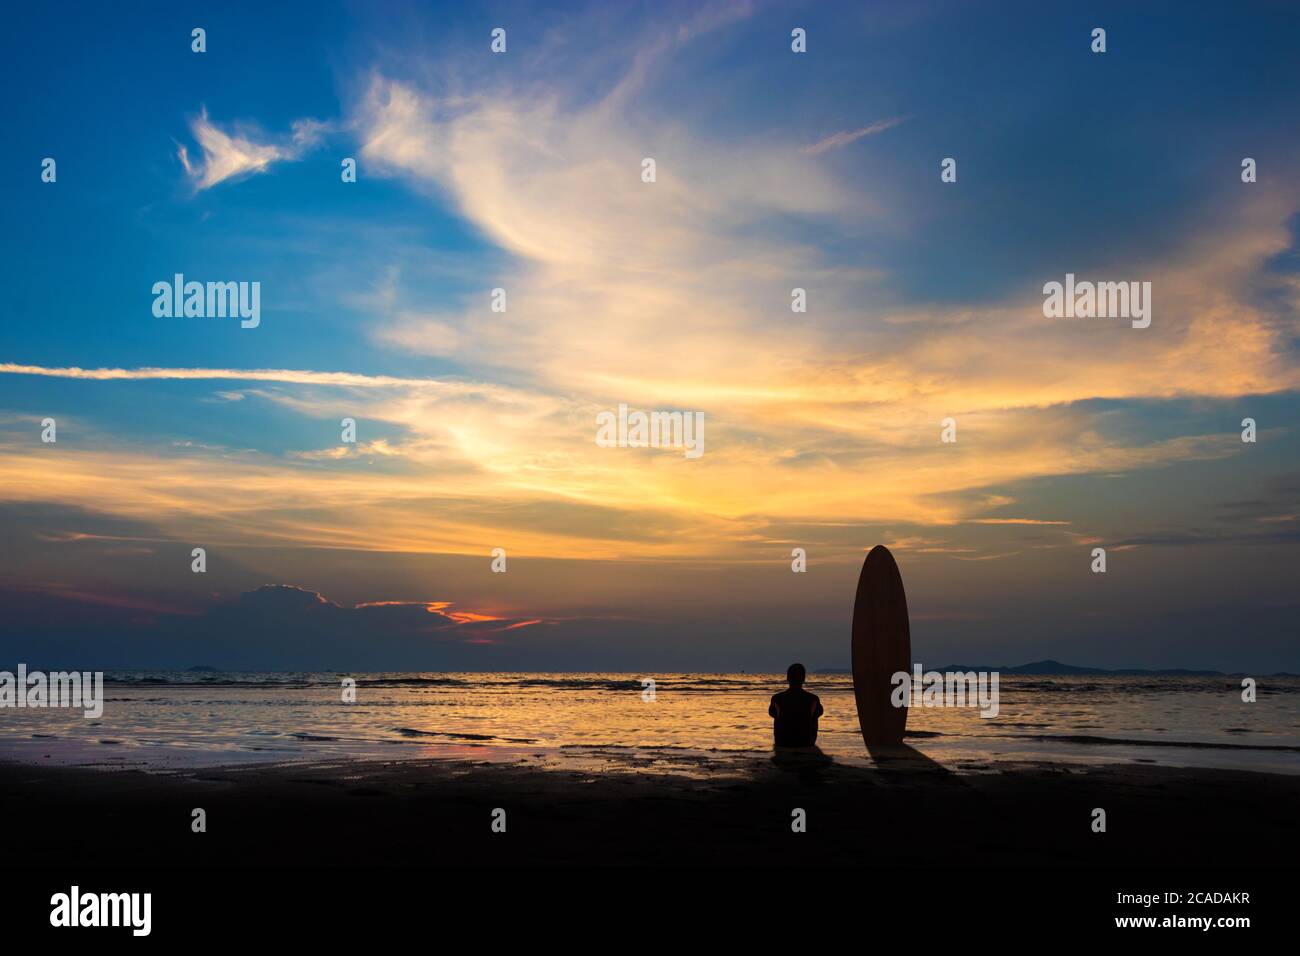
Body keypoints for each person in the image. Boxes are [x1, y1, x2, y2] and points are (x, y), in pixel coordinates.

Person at [769, 663, 824, 747]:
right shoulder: (813, 699)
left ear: (787, 678)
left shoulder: (777, 698)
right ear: (803, 679)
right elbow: (819, 713)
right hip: (806, 741)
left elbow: (772, 714)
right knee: (813, 715)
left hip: (783, 741)